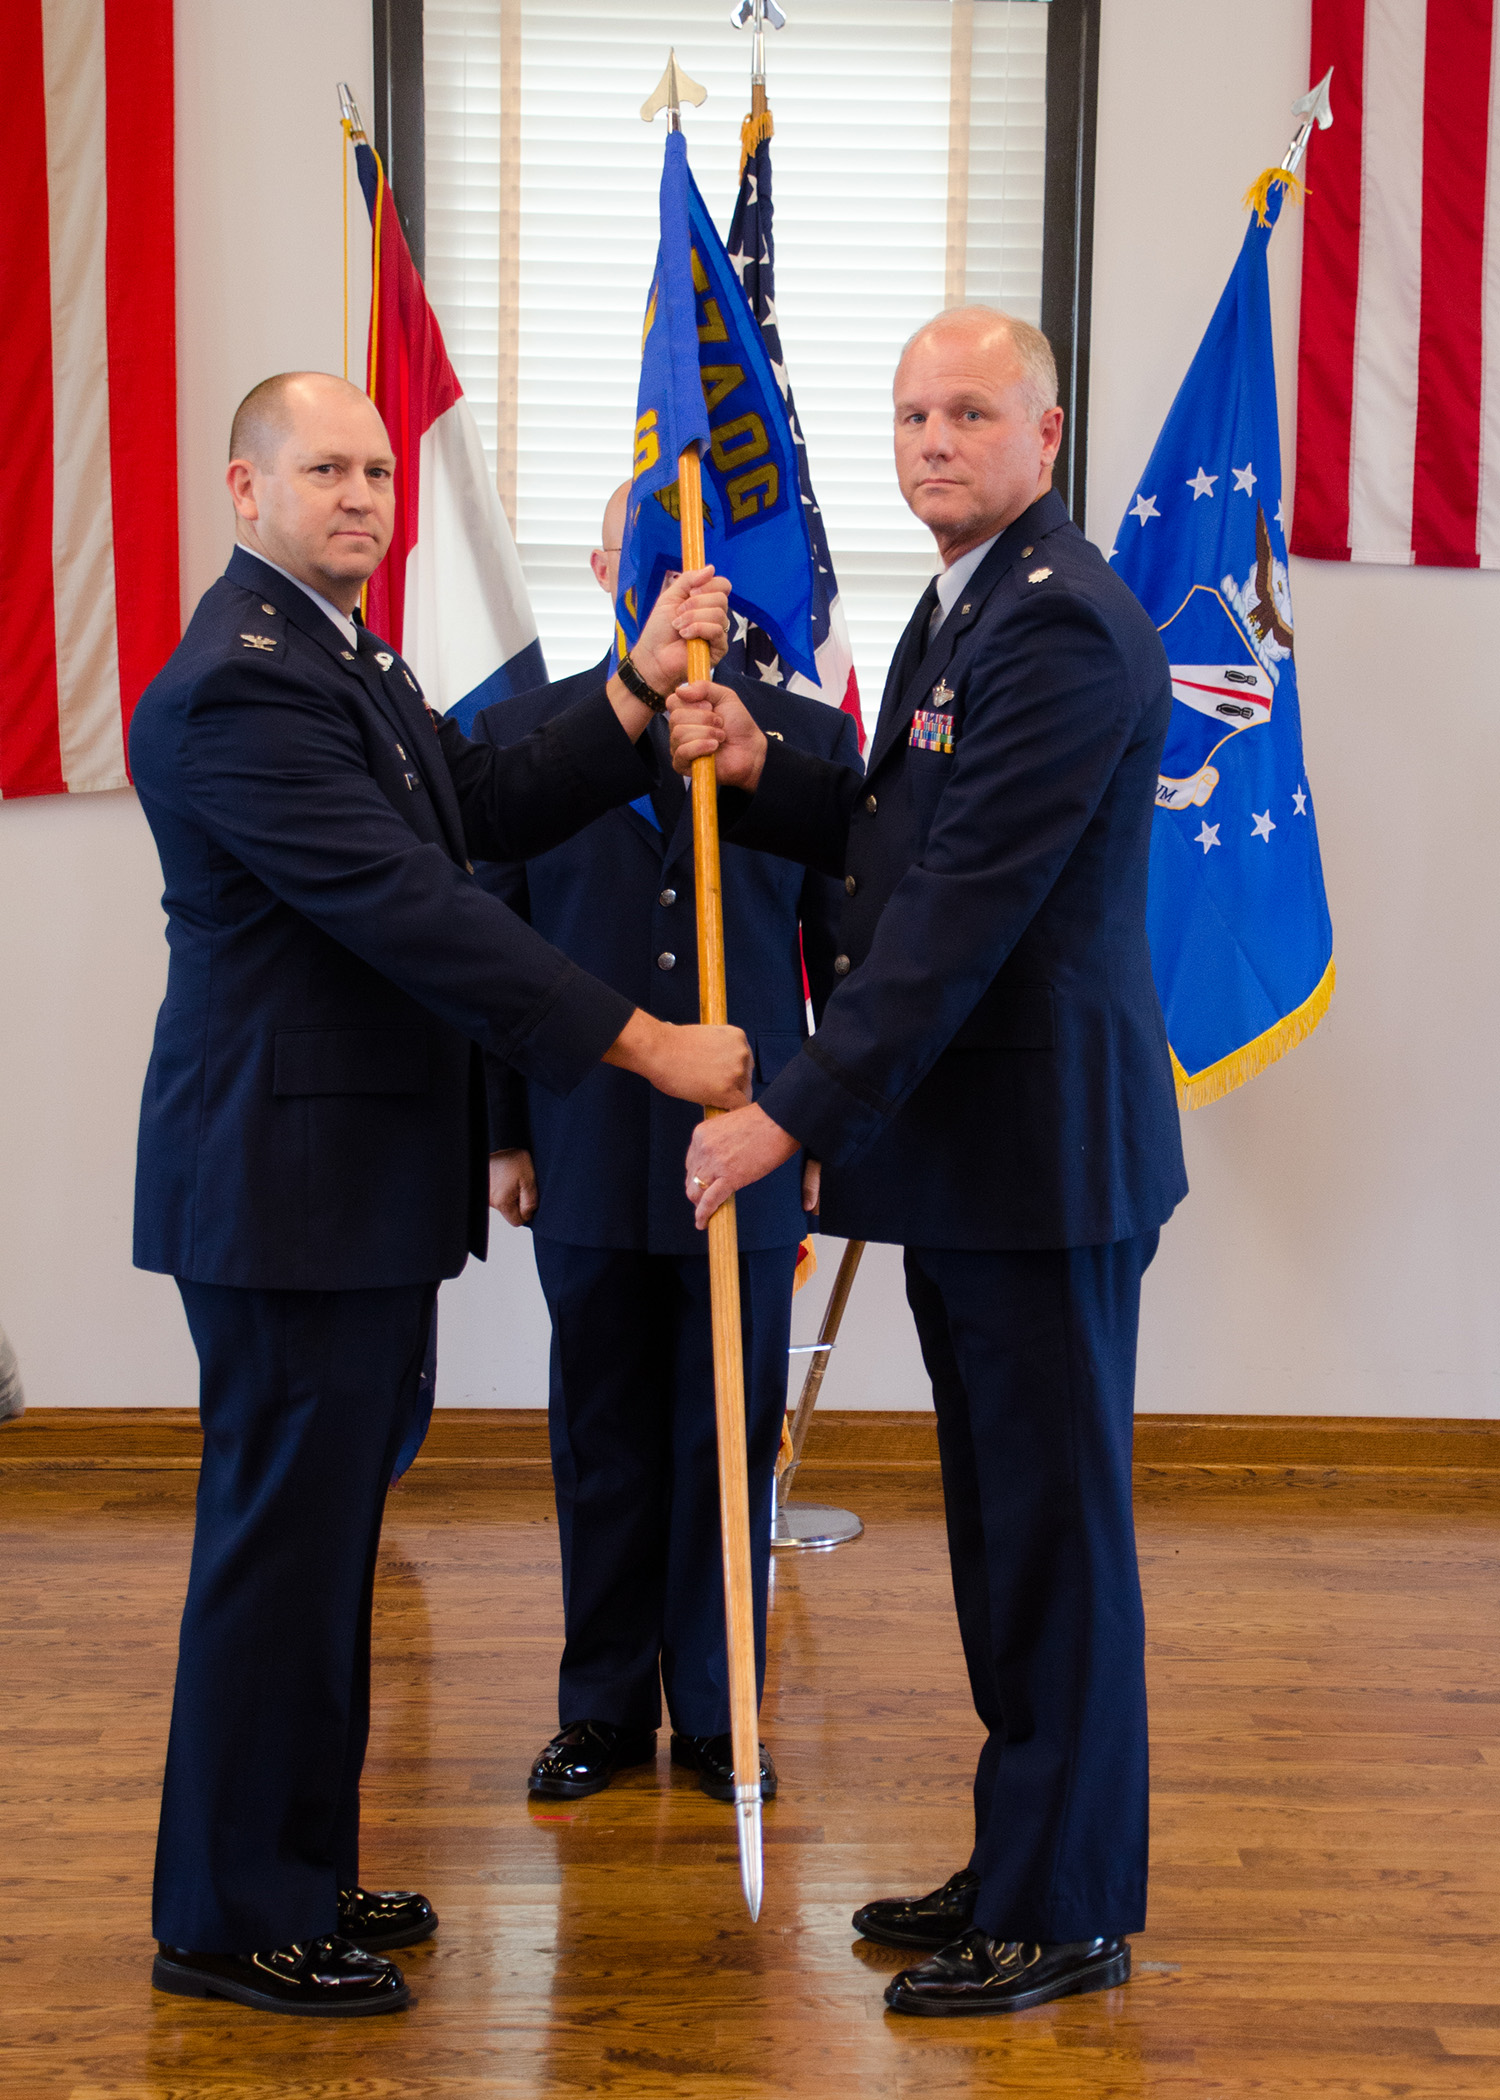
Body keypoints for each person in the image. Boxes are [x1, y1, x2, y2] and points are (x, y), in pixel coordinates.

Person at [129, 373, 750, 2019]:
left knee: (327, 1544)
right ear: (242, 489)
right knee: (280, 1550)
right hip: (284, 1185)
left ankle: (299, 1867)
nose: (361, 491)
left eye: (378, 467)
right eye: (323, 467)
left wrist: (625, 697)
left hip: (344, 1187)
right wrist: (645, 1046)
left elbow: (470, 808)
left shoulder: (350, 658)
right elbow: (419, 909)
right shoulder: (240, 687)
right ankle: (230, 1914)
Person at [668, 308, 1187, 2018]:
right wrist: (769, 769)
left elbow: (958, 919)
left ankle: (1065, 1907)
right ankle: (1017, 1851)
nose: (932, 442)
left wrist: (791, 1112)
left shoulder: (1062, 625)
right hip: (986, 1156)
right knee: (1003, 1529)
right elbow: (906, 826)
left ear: (1048, 436)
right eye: (909, 416)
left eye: (970, 413)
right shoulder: (967, 603)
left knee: (1050, 1537)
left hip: (1043, 1156)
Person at [470, 484, 859, 1807]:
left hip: (746, 1146)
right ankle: (599, 1708)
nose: (671, 578)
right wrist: (503, 1135)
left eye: (694, 558)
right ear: (599, 567)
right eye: (641, 554)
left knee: (725, 1435)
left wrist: (812, 1119)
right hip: (583, 1140)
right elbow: (492, 952)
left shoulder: (798, 738)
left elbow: (837, 958)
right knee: (602, 1434)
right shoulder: (523, 740)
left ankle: (714, 1706)